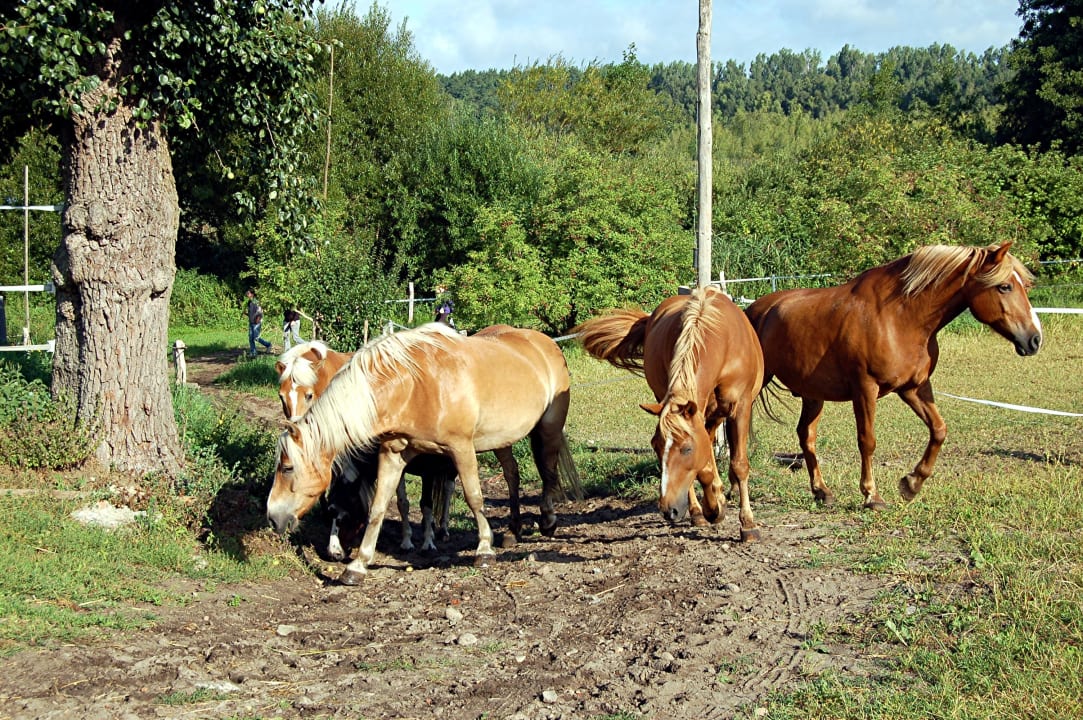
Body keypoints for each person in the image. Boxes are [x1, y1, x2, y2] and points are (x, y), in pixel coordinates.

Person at [244, 289, 273, 357]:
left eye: (248, 293)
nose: (247, 295)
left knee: (256, 337)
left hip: (256, 322)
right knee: (251, 338)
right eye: (247, 294)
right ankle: (253, 352)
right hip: (251, 322)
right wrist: (246, 314)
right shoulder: (249, 302)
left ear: (252, 294)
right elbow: (251, 313)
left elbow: (260, 312)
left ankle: (268, 345)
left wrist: (258, 319)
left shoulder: (256, 301)